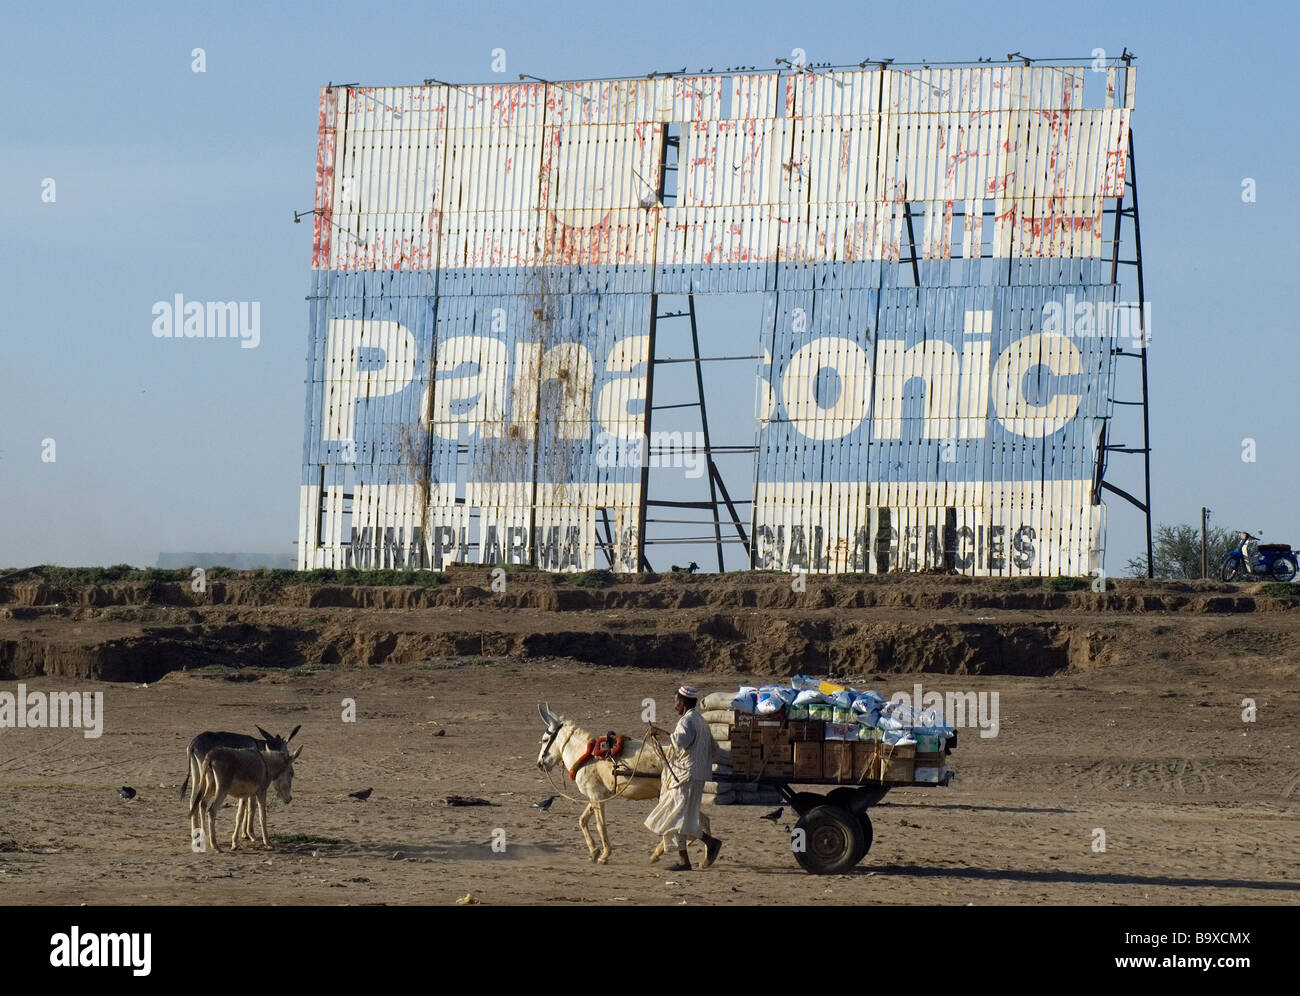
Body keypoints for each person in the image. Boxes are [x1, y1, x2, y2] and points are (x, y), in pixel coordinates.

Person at [644, 685, 722, 871]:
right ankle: (689, 857)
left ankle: (706, 845)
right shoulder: (701, 720)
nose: (674, 706)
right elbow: (714, 748)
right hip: (697, 775)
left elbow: (680, 741)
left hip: (686, 776)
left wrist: (659, 732)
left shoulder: (687, 721)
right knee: (684, 818)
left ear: (683, 702)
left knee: (675, 815)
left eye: (676, 702)